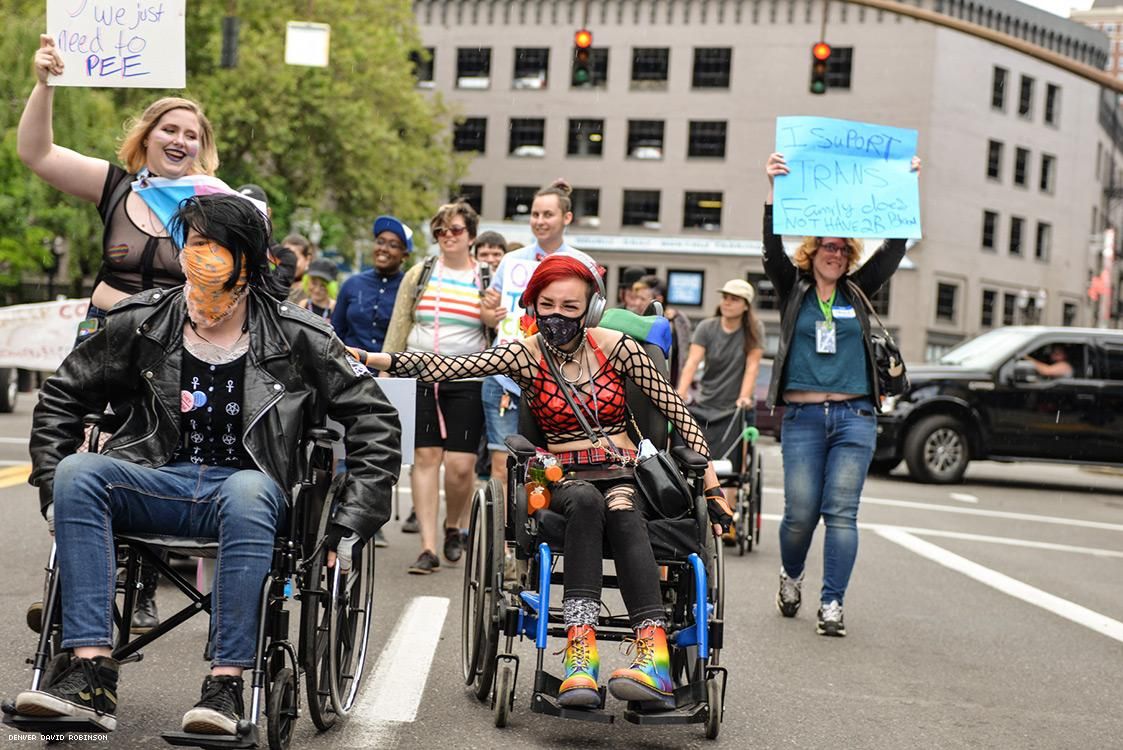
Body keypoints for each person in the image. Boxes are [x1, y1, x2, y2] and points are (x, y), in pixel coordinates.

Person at [15, 194, 401, 736]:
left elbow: (375, 420)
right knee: (79, 474)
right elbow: (61, 396)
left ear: (247, 257)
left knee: (246, 490)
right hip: (155, 478)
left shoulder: (298, 335)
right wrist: (54, 485)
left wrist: (351, 522)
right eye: (195, 243)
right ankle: (89, 673)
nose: (205, 256)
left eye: (218, 245)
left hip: (247, 491)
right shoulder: (143, 320)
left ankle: (226, 686)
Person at [353, 255, 732, 709]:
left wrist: (711, 486)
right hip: (561, 475)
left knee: (622, 505)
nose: (557, 316)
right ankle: (580, 653)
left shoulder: (620, 348)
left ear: (590, 309)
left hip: (623, 469)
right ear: (533, 306)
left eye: (570, 307)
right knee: (586, 503)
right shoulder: (524, 353)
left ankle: (653, 658)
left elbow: (678, 415)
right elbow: (449, 365)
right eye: (547, 305)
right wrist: (376, 358)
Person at [18, 36, 235, 635]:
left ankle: (140, 578)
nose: (180, 139)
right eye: (170, 128)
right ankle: (74, 584)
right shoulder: (117, 186)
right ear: (148, 136)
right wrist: (45, 84)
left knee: (153, 454)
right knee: (80, 451)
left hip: (176, 353)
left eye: (192, 134)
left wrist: (135, 301)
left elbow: (231, 286)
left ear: (203, 150)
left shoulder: (215, 205)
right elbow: (35, 153)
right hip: (105, 347)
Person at [763, 151, 922, 637]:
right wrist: (773, 192)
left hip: (855, 417)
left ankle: (832, 604)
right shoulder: (794, 288)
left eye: (841, 249)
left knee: (842, 514)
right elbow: (771, 249)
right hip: (804, 420)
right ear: (812, 251)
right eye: (826, 247)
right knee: (799, 515)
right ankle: (792, 575)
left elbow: (893, 249)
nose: (834, 253)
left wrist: (905, 186)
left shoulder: (858, 289)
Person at [383, 200, 491, 574]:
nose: (447, 237)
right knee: (426, 458)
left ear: (471, 236)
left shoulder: (486, 278)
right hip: (420, 373)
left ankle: (453, 526)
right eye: (441, 231)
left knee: (461, 467)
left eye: (456, 230)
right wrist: (388, 368)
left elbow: (495, 330)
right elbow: (400, 323)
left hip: (469, 376)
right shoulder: (421, 274)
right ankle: (428, 546)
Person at [478, 180, 594, 487]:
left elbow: (593, 323)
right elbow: (489, 316)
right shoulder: (511, 261)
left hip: (560, 380)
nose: (539, 222)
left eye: (547, 215)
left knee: (550, 467)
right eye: (535, 214)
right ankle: (504, 536)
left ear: (566, 218)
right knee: (502, 466)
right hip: (506, 379)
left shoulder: (583, 264)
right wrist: (492, 311)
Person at [677, 279, 764, 467]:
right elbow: (692, 362)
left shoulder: (754, 330)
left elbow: (752, 367)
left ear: (746, 306)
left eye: (734, 299)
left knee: (731, 467)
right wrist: (681, 392)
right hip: (706, 402)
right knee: (696, 458)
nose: (727, 302)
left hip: (736, 407)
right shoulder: (706, 327)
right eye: (725, 297)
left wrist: (744, 397)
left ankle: (729, 496)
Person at [631, 275, 694, 388]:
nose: (637, 303)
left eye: (642, 299)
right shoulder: (633, 320)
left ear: (659, 299)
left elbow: (685, 358)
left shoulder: (678, 322)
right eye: (636, 298)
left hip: (671, 388)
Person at [280, 234, 314, 305]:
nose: (289, 264)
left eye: (294, 259)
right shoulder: (272, 285)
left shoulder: (313, 291)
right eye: (285, 258)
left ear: (308, 259)